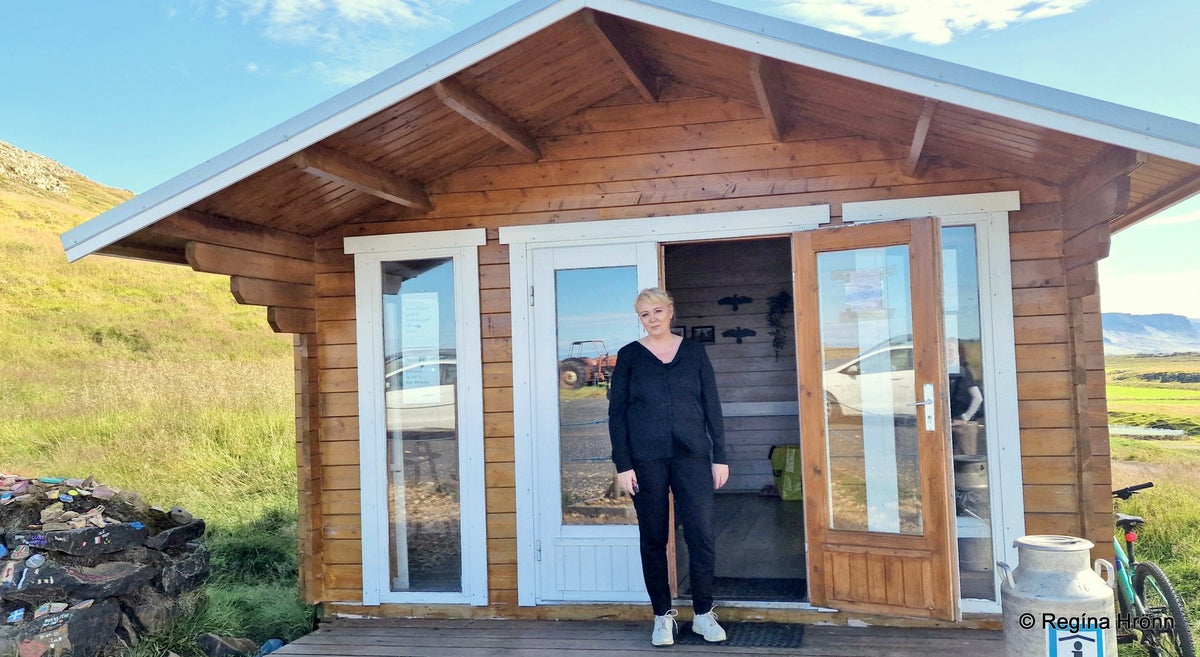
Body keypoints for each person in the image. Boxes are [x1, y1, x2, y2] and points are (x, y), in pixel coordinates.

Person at [608, 287, 729, 647]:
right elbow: (617, 413)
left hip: (693, 456)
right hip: (645, 460)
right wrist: (623, 464)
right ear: (640, 319)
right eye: (645, 314)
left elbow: (712, 405)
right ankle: (662, 616)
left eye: (658, 311)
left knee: (701, 535)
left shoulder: (694, 353)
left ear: (671, 312)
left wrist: (720, 455)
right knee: (653, 537)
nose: (653, 319)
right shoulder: (629, 356)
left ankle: (704, 614)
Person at [949, 355, 984, 455]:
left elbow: (978, 397)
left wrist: (965, 417)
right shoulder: (946, 372)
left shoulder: (963, 373)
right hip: (952, 424)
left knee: (966, 464)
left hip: (963, 426)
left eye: (951, 351)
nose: (948, 354)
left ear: (958, 354)